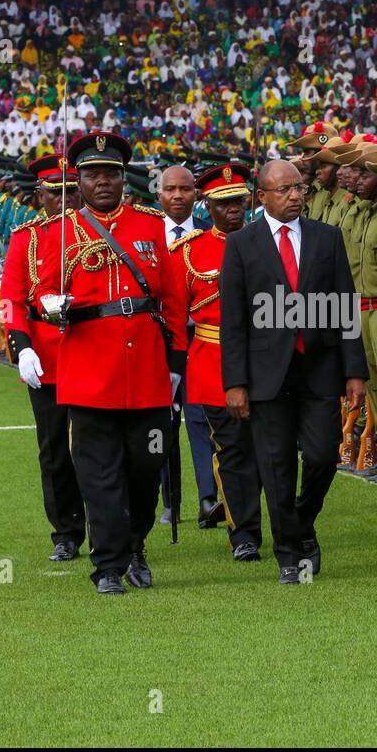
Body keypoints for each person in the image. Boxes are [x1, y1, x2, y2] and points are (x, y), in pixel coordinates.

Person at [28, 130, 188, 595]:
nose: (103, 181)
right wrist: (51, 302)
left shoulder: (151, 225)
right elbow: (38, 292)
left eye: (111, 174)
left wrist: (175, 361)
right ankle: (109, 566)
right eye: (93, 174)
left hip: (147, 372)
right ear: (78, 180)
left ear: (123, 178)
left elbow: (174, 298)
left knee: (146, 464)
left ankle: (136, 541)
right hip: (88, 371)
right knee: (99, 475)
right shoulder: (59, 232)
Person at [219, 159, 368, 584]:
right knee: (276, 466)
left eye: (299, 188)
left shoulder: (327, 238)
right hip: (265, 375)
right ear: (261, 196)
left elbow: (345, 307)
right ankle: (289, 554)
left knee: (322, 456)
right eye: (284, 190)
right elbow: (233, 321)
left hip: (319, 369)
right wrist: (235, 383)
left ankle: (302, 522)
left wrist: (354, 372)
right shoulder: (241, 244)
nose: (295, 196)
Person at [173, 162, 264, 560]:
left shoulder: (267, 240)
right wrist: (173, 371)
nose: (234, 210)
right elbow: (175, 318)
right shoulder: (189, 251)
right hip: (213, 361)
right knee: (233, 451)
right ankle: (243, 532)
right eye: (224, 203)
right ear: (207, 204)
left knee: (268, 449)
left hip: (266, 358)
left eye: (239, 201)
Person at [0, 153, 85, 561]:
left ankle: (112, 529)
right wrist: (22, 346)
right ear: (40, 195)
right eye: (56, 193)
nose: (65, 200)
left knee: (100, 446)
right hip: (47, 353)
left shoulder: (101, 231)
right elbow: (11, 299)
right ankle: (66, 531)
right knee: (54, 449)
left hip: (93, 348)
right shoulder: (25, 238)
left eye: (72, 191)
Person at [157, 165, 221, 529]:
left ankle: (209, 498)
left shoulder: (209, 233)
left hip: (200, 340)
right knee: (163, 423)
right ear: (160, 194)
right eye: (171, 189)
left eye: (185, 189)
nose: (178, 196)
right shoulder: (147, 234)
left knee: (201, 419)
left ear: (196, 194)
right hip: (160, 343)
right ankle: (170, 500)